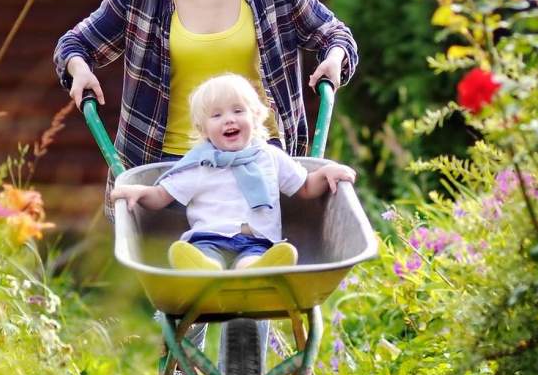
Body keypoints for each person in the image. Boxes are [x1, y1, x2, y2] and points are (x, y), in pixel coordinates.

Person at [54, 0, 358, 375]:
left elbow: (334, 33)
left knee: (258, 262)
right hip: (168, 161)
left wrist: (335, 57)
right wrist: (78, 67)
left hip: (257, 155)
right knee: (187, 269)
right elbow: (76, 40)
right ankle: (184, 360)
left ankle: (248, 371)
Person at [111, 73, 356, 272]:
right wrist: (139, 191)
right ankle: (203, 270)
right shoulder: (200, 163)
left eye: (238, 111)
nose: (229, 120)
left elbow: (304, 187)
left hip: (258, 242)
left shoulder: (269, 156)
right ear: (203, 129)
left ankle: (258, 270)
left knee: (251, 262)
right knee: (207, 258)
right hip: (208, 238)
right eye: (217, 115)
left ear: (256, 116)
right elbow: (162, 195)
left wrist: (326, 173)